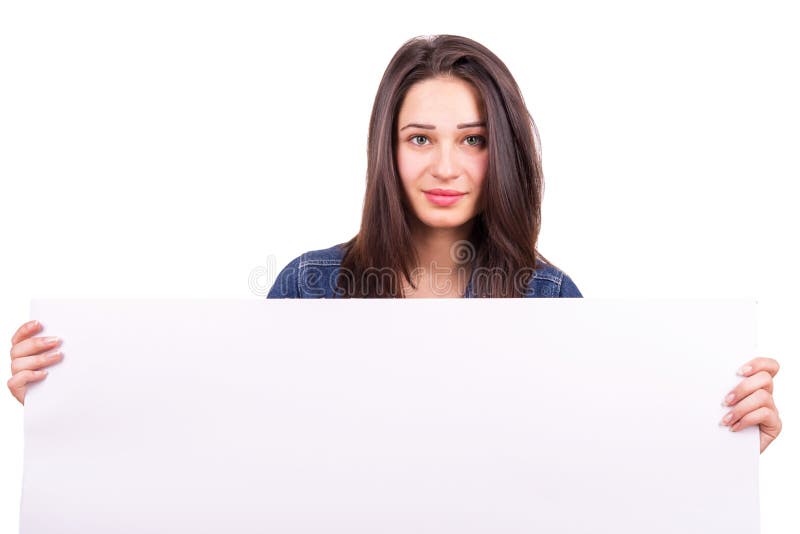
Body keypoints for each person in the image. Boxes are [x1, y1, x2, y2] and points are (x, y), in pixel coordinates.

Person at [7, 35, 782, 452]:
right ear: (389, 149)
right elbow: (227, 431)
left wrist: (717, 443)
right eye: (420, 138)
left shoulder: (550, 299)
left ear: (502, 152)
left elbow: (588, 459)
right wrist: (72, 396)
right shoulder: (310, 288)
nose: (445, 166)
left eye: (473, 140)